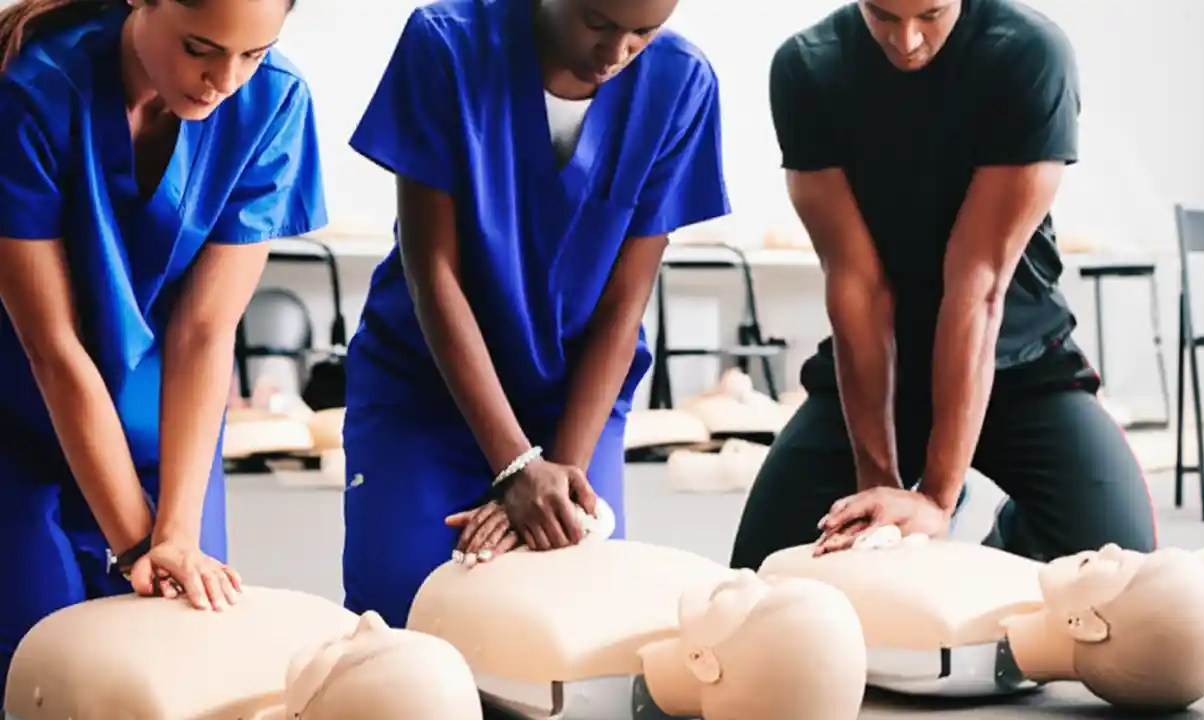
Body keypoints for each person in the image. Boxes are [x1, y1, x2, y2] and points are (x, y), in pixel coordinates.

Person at [729, 0, 1157, 571]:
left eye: (930, 15)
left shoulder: (1027, 55)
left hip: (1020, 360)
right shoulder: (809, 66)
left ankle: (1011, 534)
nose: (906, 40)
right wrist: (876, 487)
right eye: (883, 15)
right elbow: (857, 287)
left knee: (1123, 572)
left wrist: (937, 497)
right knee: (760, 576)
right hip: (881, 370)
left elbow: (978, 285)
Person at [342, 0, 729, 628]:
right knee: (400, 615)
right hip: (427, 382)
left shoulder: (681, 83)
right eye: (598, 24)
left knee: (572, 609)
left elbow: (622, 305)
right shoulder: (446, 45)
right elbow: (433, 271)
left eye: (644, 33)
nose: (617, 54)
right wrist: (517, 464)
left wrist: (562, 474)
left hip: (576, 394)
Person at [0, 0, 326, 691]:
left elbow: (204, 331)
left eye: (253, 55)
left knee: (181, 664)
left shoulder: (274, 104)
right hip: (20, 422)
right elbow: (52, 347)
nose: (224, 82)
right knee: (34, 668)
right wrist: (138, 547)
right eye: (199, 48)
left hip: (170, 430)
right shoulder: (31, 93)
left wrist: (175, 533)